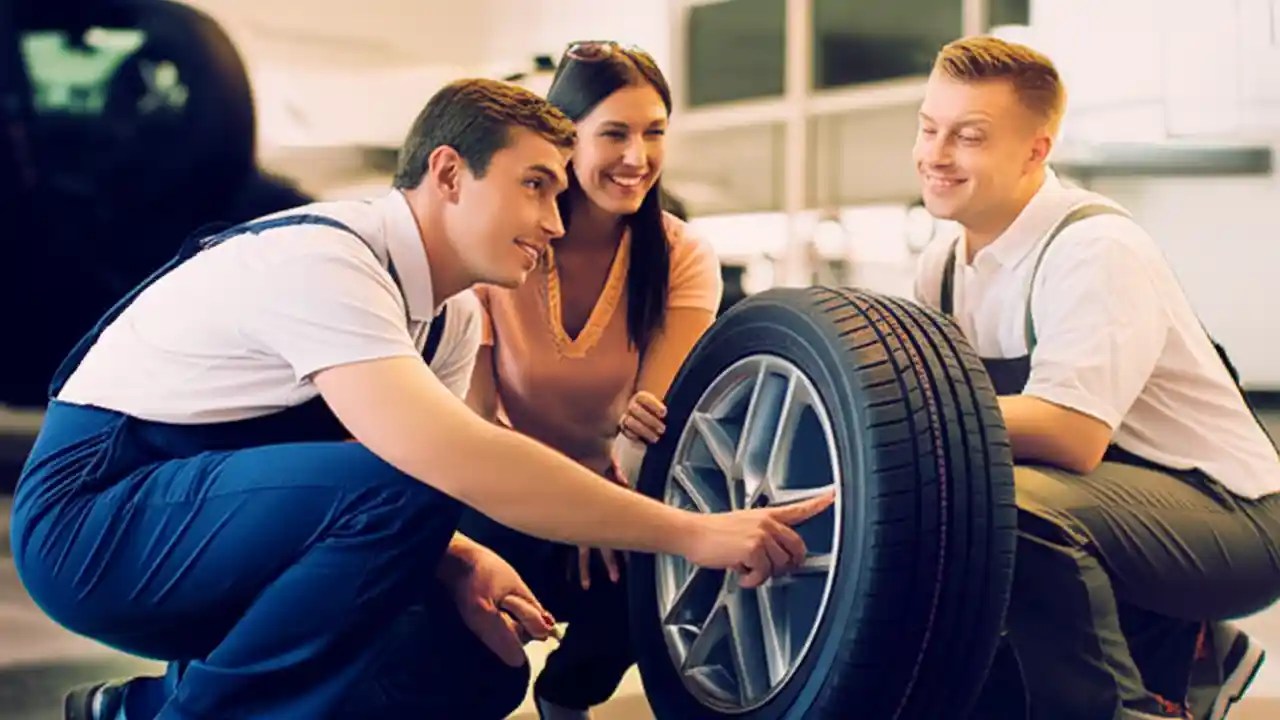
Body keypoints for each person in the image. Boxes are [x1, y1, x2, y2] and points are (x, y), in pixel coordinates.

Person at [10, 77, 831, 720]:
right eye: (536, 187)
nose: (553, 222)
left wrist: (461, 558)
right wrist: (693, 533)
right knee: (415, 484)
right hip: (96, 520)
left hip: (208, 524)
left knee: (482, 667)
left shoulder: (451, 318)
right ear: (448, 173)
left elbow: (375, 485)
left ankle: (155, 705)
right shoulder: (326, 261)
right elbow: (450, 462)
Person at [911, 36, 1280, 720]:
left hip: (1236, 518)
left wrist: (911, 413)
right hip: (1112, 504)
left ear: (1034, 150)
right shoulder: (940, 266)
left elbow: (1070, 434)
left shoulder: (1092, 249)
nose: (935, 154)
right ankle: (1189, 660)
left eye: (968, 136)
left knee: (1007, 503)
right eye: (929, 127)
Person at [460, 42, 722, 720]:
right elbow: (473, 425)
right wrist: (565, 502)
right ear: (564, 137)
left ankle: (567, 698)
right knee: (449, 568)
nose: (637, 156)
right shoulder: (506, 245)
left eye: (654, 132)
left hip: (622, 488)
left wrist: (605, 505)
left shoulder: (682, 257)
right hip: (506, 486)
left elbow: (650, 421)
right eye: (615, 133)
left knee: (657, 568)